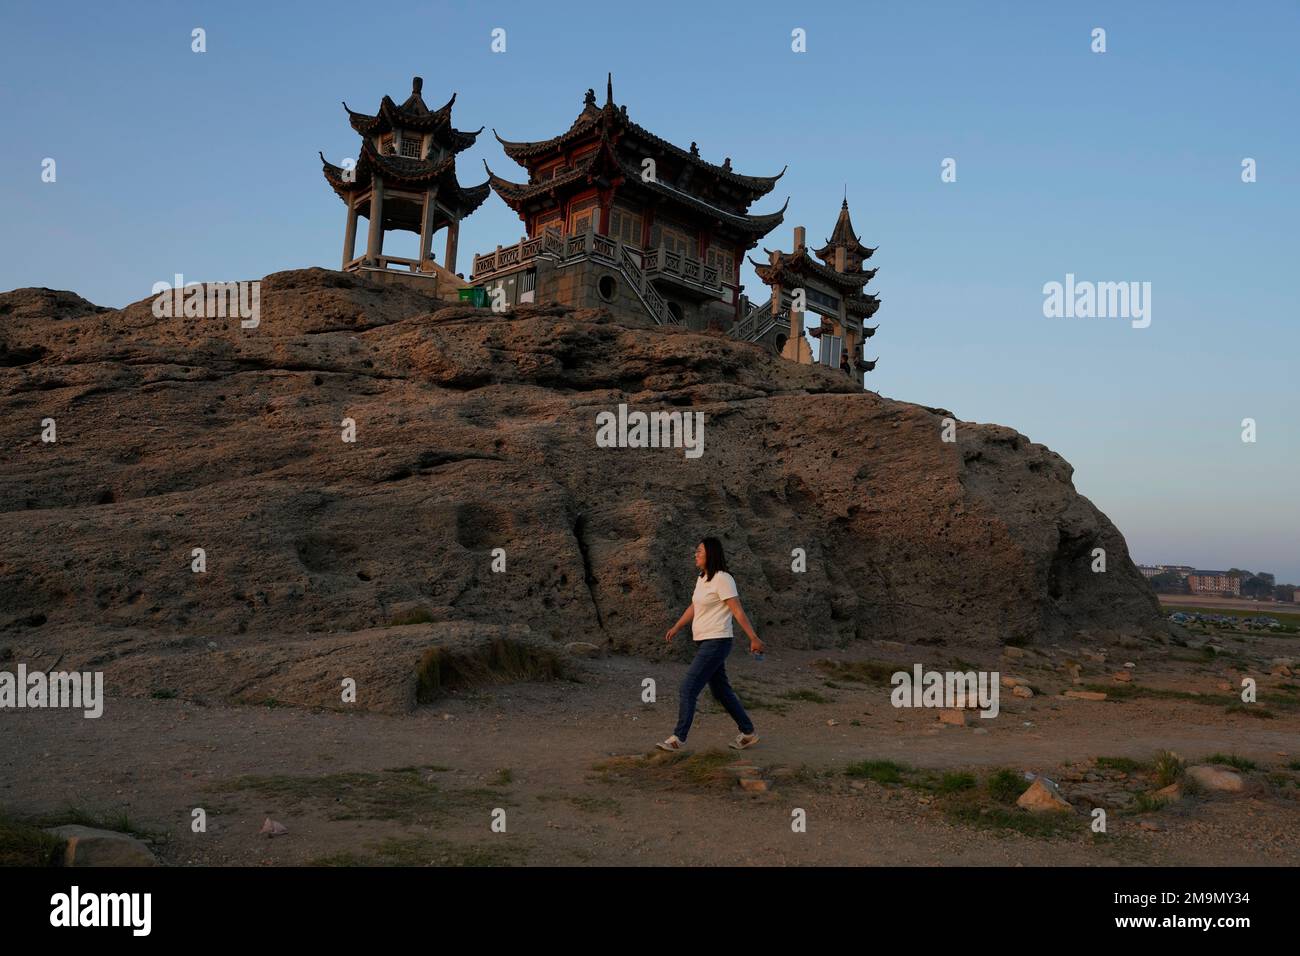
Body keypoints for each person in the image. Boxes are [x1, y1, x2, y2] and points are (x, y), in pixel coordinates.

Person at [657, 537, 764, 752]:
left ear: (711, 554)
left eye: (699, 551)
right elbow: (694, 606)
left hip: (717, 641)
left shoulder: (723, 578)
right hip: (705, 641)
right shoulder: (703, 578)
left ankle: (678, 738)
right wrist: (677, 626)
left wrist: (753, 637)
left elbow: (737, 610)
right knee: (721, 691)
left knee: (688, 688)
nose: (695, 554)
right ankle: (748, 732)